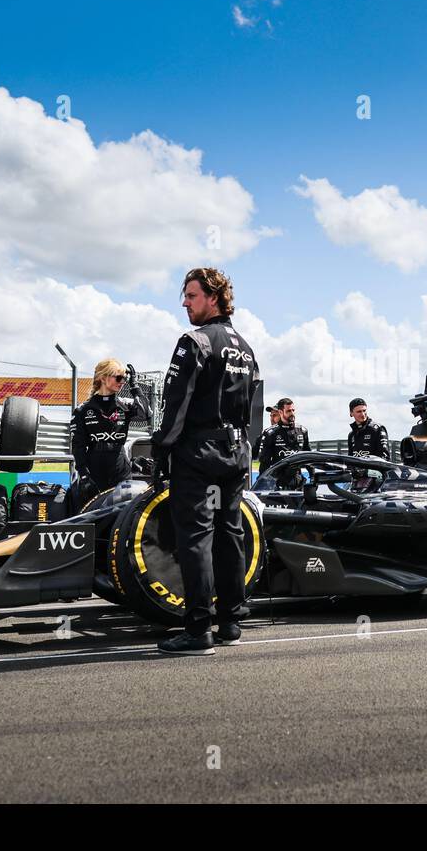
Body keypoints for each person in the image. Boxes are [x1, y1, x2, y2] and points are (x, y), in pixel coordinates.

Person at [151, 267, 260, 655]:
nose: (184, 302)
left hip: (197, 453)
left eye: (192, 296)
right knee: (229, 533)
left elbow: (175, 403)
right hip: (235, 453)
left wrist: (160, 448)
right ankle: (231, 619)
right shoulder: (245, 348)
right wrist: (245, 451)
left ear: (213, 298)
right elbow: (254, 410)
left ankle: (198, 630)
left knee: (196, 537)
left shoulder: (194, 341)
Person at [68, 358, 150, 506]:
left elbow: (146, 414)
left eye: (125, 378)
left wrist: (135, 387)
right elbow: (78, 447)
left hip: (121, 469)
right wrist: (84, 475)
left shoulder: (125, 405)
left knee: (124, 516)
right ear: (103, 378)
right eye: (119, 377)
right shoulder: (83, 410)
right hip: (94, 470)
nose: (123, 381)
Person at [257, 397, 310, 468]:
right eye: (288, 411)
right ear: (281, 412)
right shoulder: (269, 433)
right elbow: (264, 463)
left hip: (297, 477)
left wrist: (313, 475)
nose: (292, 413)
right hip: (278, 477)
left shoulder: (302, 431)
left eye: (293, 410)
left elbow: (308, 457)